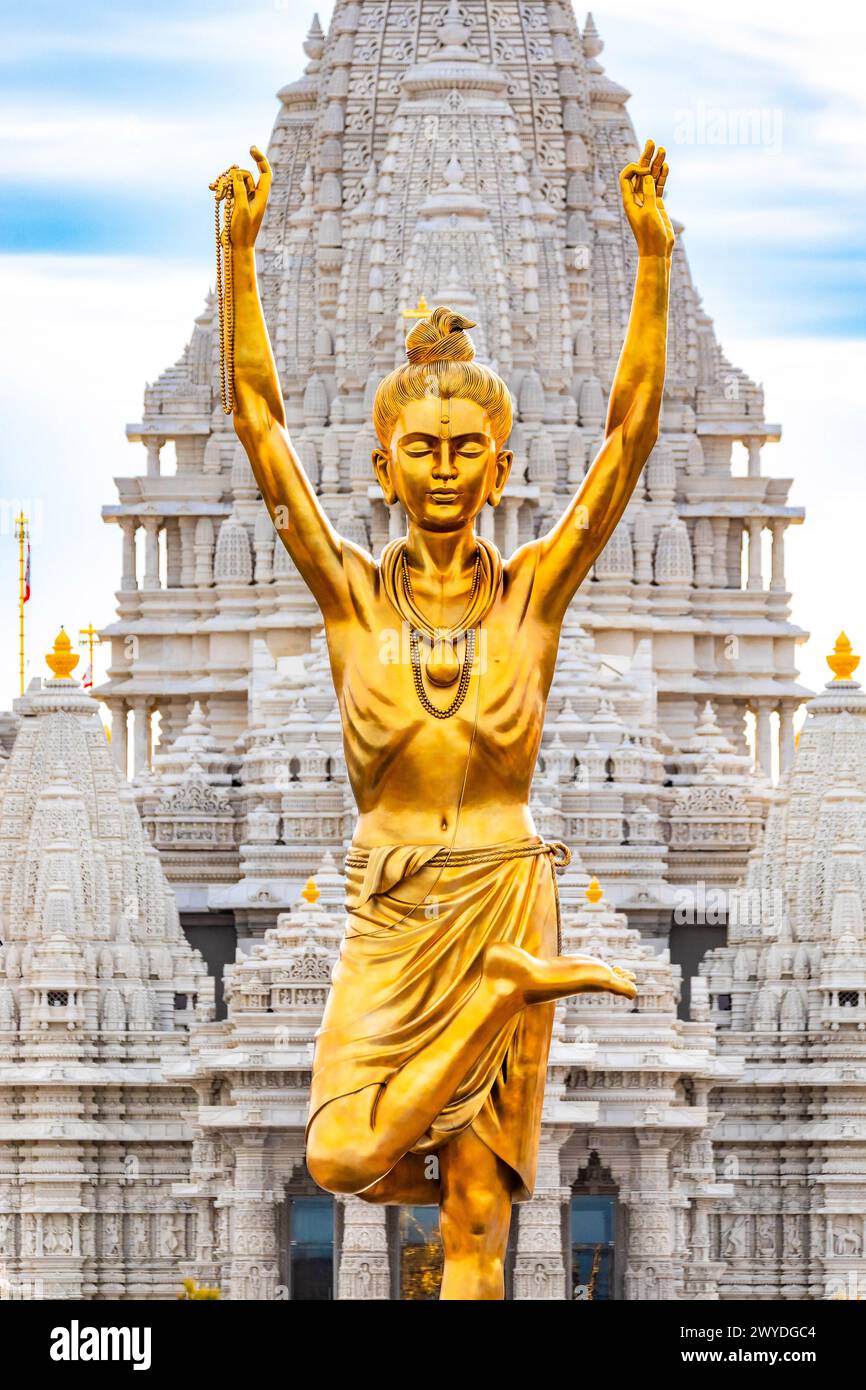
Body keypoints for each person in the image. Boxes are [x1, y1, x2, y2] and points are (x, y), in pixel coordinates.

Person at [229, 138, 673, 1299]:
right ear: (381, 463)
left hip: (500, 885)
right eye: (419, 449)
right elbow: (264, 434)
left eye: (465, 451)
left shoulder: (531, 591)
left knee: (481, 1204)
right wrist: (236, 259)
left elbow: (625, 444)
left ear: (500, 464)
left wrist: (650, 260)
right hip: (392, 906)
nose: (441, 470)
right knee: (344, 1150)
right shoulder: (349, 594)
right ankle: (500, 991)